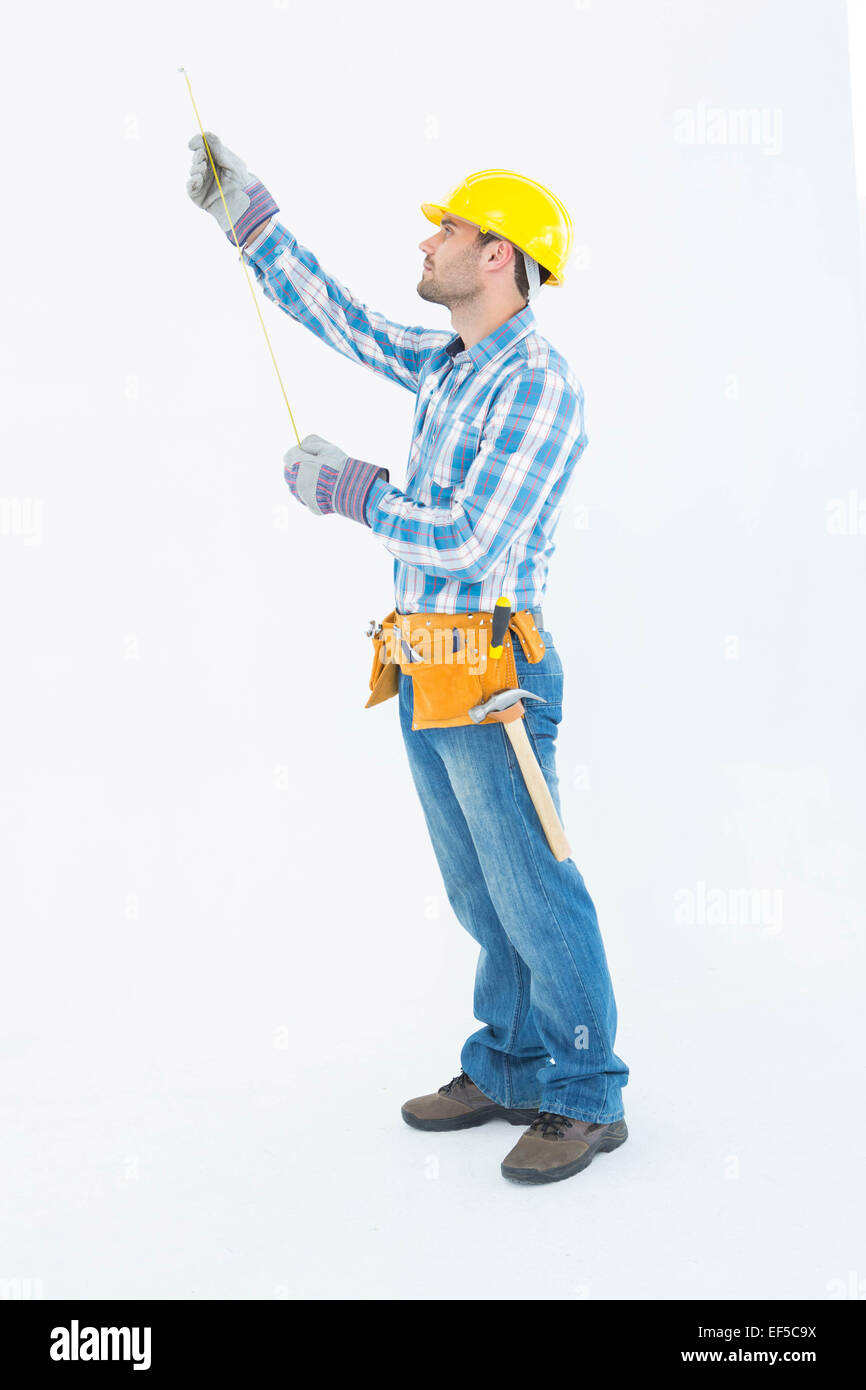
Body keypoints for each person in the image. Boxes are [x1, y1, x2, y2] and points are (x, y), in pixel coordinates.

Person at [186, 134, 629, 1185]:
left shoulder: (537, 388)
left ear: (497, 260)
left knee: (532, 885)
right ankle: (511, 1062)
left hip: (495, 673)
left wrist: (356, 491)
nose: (426, 240)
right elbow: (339, 318)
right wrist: (250, 221)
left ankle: (582, 1092)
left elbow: (473, 535)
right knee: (479, 891)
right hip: (429, 662)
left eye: (448, 229)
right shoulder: (451, 366)